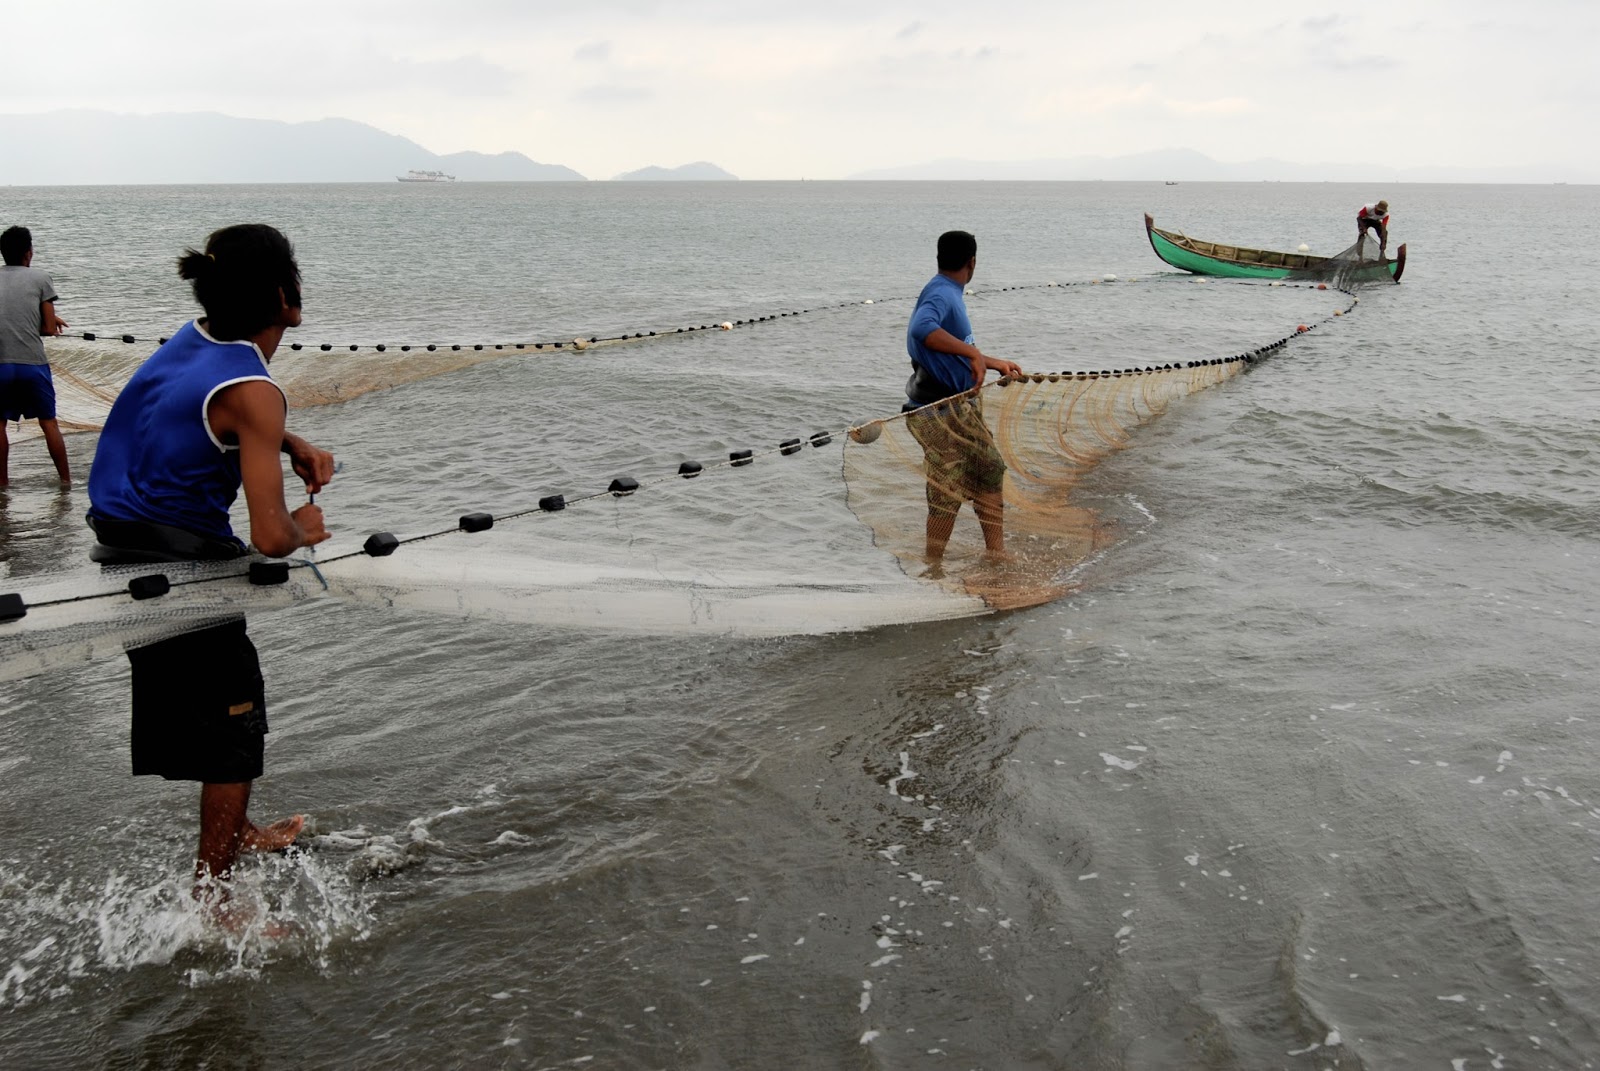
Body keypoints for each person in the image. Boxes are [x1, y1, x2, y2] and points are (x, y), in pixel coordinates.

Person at [86, 223, 335, 921]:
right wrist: (306, 529)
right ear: (286, 297)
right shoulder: (256, 391)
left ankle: (240, 835)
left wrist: (287, 438)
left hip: (117, 542)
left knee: (210, 708)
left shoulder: (190, 339)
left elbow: (188, 399)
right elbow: (269, 534)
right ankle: (215, 897)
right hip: (178, 563)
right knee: (235, 725)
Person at [902, 230, 1023, 569]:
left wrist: (990, 361)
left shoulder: (943, 288)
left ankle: (993, 556)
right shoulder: (943, 294)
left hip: (950, 409)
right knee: (948, 489)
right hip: (941, 411)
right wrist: (972, 352)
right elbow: (921, 330)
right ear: (972, 262)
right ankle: (933, 568)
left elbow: (945, 348)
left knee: (986, 472)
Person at [0, 225, 72, 487]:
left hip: (0, 366)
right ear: (28, 254)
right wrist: (49, 320)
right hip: (32, 364)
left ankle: (2, 486)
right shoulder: (41, 278)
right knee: (49, 423)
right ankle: (65, 482)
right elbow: (49, 328)